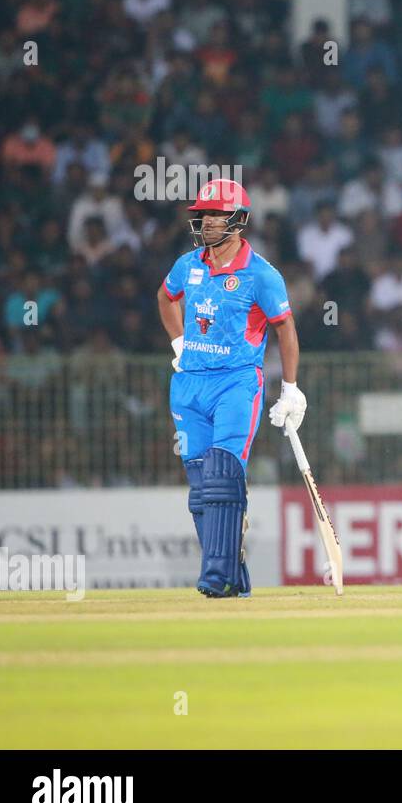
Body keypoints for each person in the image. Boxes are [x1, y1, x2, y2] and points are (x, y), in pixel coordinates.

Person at [156, 179, 305, 597]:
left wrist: (290, 388)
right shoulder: (188, 265)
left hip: (236, 384)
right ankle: (234, 580)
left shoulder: (261, 274)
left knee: (223, 476)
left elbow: (286, 330)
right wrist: (178, 343)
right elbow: (166, 299)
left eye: (216, 214)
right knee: (202, 489)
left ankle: (216, 578)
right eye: (203, 214)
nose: (206, 221)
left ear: (238, 220)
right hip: (187, 384)